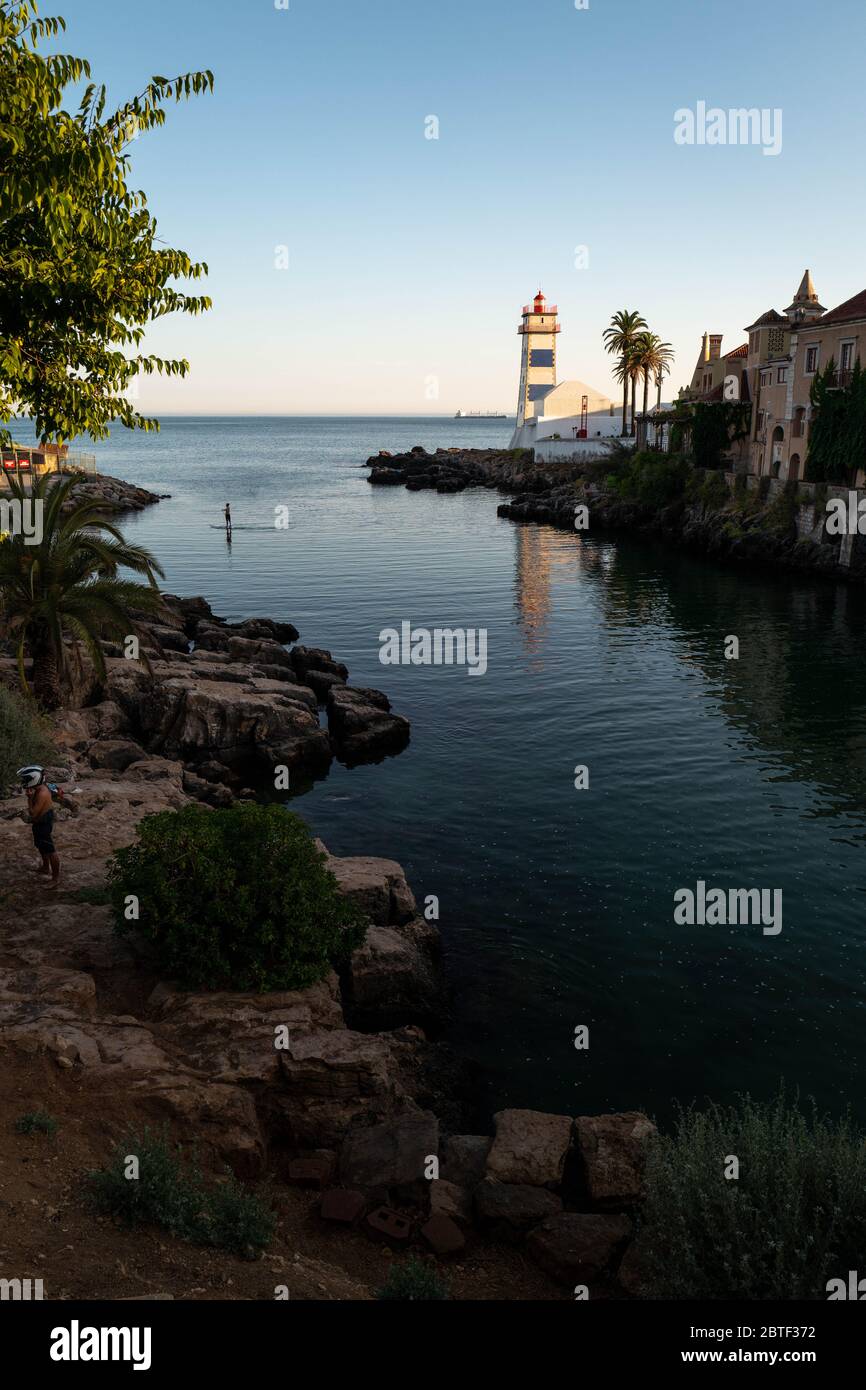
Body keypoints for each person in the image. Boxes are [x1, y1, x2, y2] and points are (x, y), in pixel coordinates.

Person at [18, 765, 60, 889]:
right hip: (40, 822)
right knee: (41, 844)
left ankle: (55, 879)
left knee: (50, 849)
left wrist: (30, 799)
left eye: (26, 779)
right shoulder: (38, 788)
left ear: (34, 779)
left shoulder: (42, 793)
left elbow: (33, 813)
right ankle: (46, 867)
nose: (24, 782)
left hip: (44, 822)